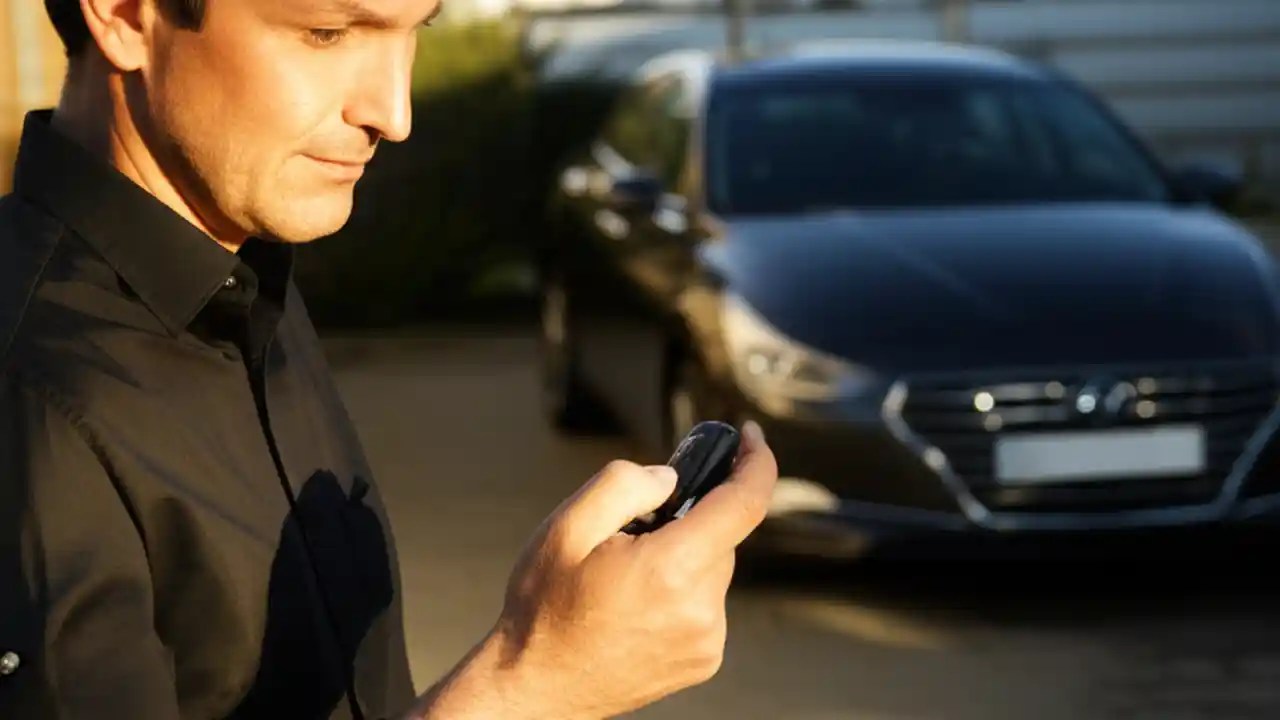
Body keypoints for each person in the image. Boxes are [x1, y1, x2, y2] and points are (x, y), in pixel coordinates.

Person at [0, 0, 779, 717]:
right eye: (327, 34)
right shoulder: (31, 401)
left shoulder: (243, 284)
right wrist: (530, 685)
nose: (394, 113)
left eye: (418, 29)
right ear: (125, 14)